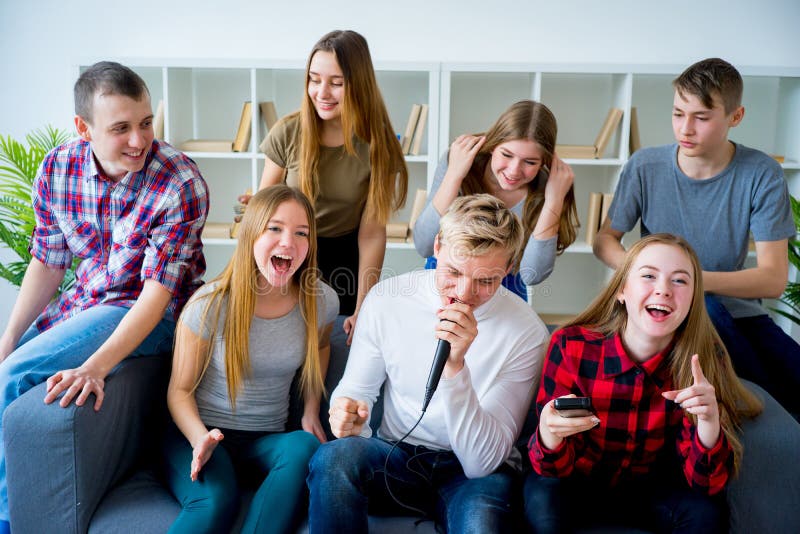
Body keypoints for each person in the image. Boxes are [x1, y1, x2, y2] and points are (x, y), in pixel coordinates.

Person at [0, 61, 208, 533]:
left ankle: (7, 522)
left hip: (150, 312)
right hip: (85, 303)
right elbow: (49, 261)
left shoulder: (180, 182)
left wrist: (95, 365)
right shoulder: (57, 167)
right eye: (121, 129)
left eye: (146, 123)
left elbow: (156, 298)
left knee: (13, 376)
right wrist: (10, 334)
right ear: (83, 128)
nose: (139, 140)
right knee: (6, 360)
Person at [307, 194, 548, 533]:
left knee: (480, 522)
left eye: (486, 281)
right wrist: (345, 412)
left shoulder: (527, 332)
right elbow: (356, 392)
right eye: (453, 272)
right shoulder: (387, 299)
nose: (464, 294)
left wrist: (455, 368)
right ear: (437, 247)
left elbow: (481, 463)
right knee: (333, 459)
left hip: (473, 474)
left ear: (509, 269)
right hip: (397, 456)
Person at [594, 58, 799, 416]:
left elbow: (773, 279)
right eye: (677, 113)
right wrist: (652, 275)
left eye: (701, 118)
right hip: (661, 309)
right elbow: (604, 240)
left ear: (735, 117)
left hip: (736, 314)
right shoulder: (645, 166)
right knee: (710, 313)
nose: (684, 129)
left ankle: (758, 408)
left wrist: (689, 280)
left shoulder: (762, 173)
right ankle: (755, 407)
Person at [525, 233, 763, 533]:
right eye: (649, 276)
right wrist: (549, 433)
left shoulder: (702, 360)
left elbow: (706, 484)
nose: (663, 290)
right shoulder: (570, 345)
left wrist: (709, 423)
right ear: (621, 290)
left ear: (692, 300)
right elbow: (549, 468)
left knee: (706, 516)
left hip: (651, 491)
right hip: (574, 482)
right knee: (542, 505)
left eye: (679, 281)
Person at [163, 185, 338, 533]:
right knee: (216, 501)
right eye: (275, 228)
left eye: (301, 233)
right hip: (198, 434)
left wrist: (310, 410)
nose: (288, 242)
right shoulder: (209, 304)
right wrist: (201, 438)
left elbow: (320, 348)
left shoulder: (321, 301)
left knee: (303, 446)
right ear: (251, 234)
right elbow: (179, 392)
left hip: (265, 440)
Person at [257, 29, 408, 343]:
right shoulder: (288, 131)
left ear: (359, 84)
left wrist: (365, 305)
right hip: (289, 249)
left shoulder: (378, 145)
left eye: (336, 83)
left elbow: (371, 233)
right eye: (314, 79)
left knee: (337, 344)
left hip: (345, 258)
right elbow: (261, 213)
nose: (322, 92)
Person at [413, 99, 579, 300]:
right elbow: (424, 246)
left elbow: (531, 275)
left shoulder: (550, 187)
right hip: (448, 277)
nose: (514, 170)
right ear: (493, 145)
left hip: (504, 289)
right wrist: (455, 175)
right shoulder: (459, 161)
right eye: (507, 154)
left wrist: (553, 201)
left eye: (530, 162)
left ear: (544, 161)